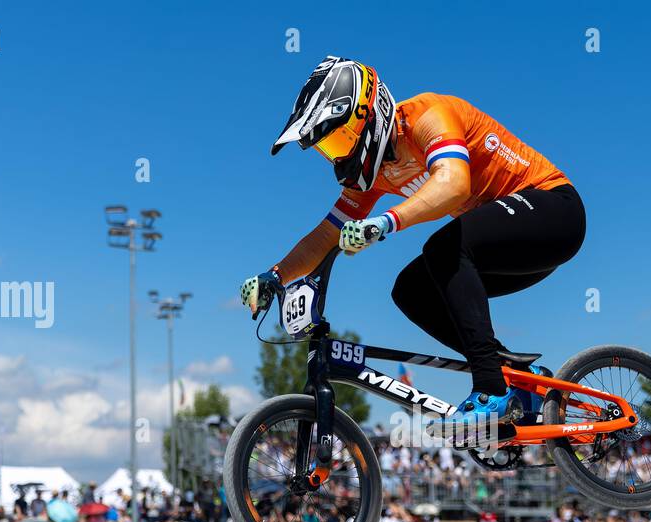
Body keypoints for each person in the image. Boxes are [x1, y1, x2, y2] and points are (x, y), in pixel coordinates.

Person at [242, 56, 585, 444]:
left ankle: (491, 390)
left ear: (368, 113)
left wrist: (385, 222)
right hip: (513, 249)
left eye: (339, 140)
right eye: (328, 148)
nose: (338, 157)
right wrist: (274, 275)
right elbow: (325, 235)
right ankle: (510, 376)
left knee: (442, 248)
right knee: (411, 291)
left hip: (555, 212)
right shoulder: (375, 175)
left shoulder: (426, 116)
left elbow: (454, 183)